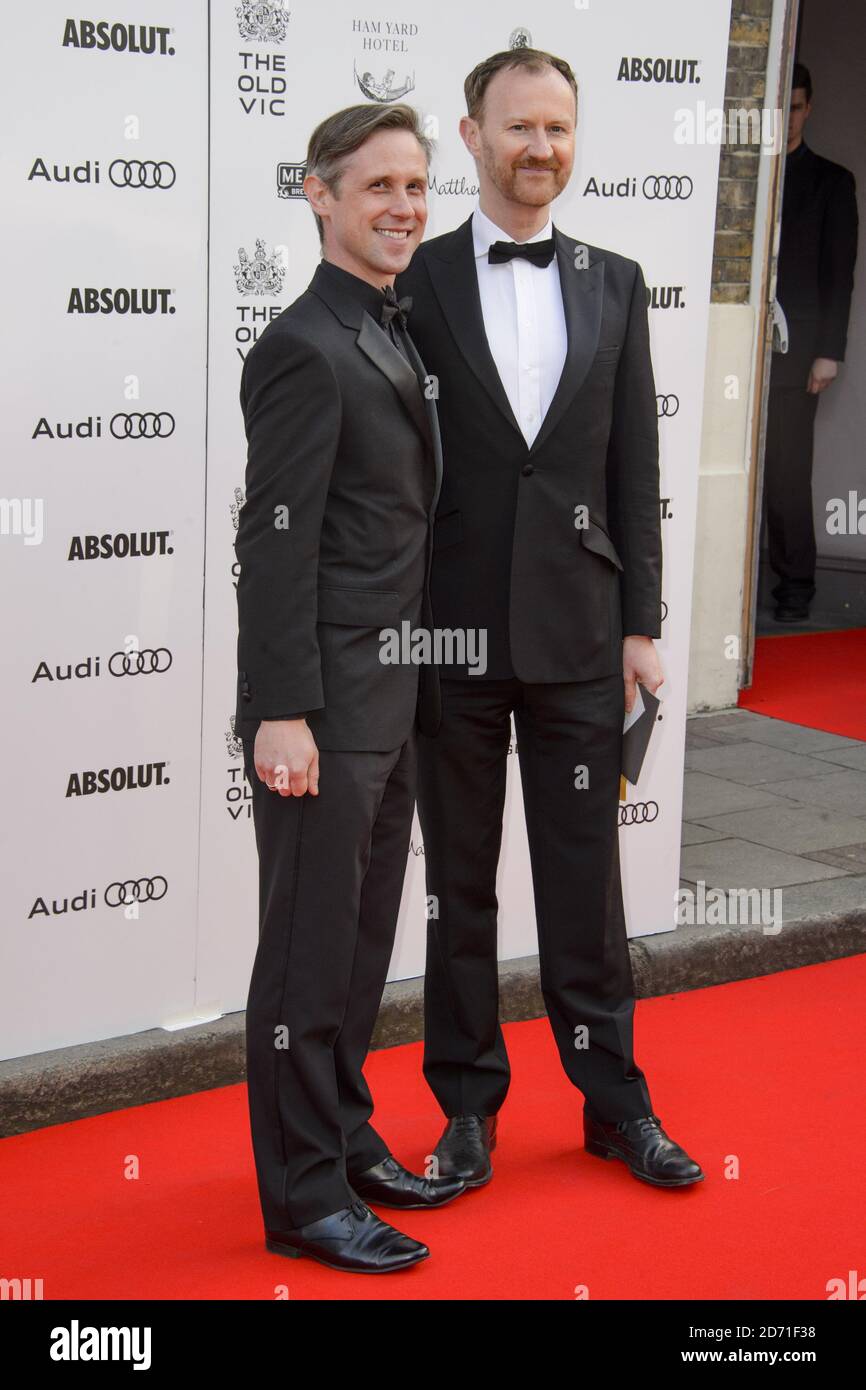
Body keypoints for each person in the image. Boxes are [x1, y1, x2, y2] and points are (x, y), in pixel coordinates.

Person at [396, 47, 703, 1189]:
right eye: (518, 127)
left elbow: (636, 462)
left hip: (579, 631)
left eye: (559, 130)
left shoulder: (613, 281)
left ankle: (613, 1101)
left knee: (586, 883)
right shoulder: (412, 281)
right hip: (450, 634)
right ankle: (465, 1108)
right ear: (471, 135)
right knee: (457, 884)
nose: (541, 149)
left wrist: (641, 622)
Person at [233, 102, 466, 1275]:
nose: (403, 208)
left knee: (362, 951)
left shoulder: (389, 324)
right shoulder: (300, 346)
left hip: (390, 704)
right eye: (377, 186)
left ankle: (345, 1134)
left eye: (418, 186)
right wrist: (283, 709)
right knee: (303, 965)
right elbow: (273, 542)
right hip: (318, 715)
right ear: (317, 193)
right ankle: (303, 1197)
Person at [763, 61, 858, 622]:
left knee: (787, 472)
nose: (788, 118)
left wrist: (830, 350)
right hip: (740, 352)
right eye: (780, 108)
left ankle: (795, 587)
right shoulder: (748, 180)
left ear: (809, 107)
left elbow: (838, 272)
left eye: (795, 107)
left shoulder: (831, 181)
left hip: (799, 355)